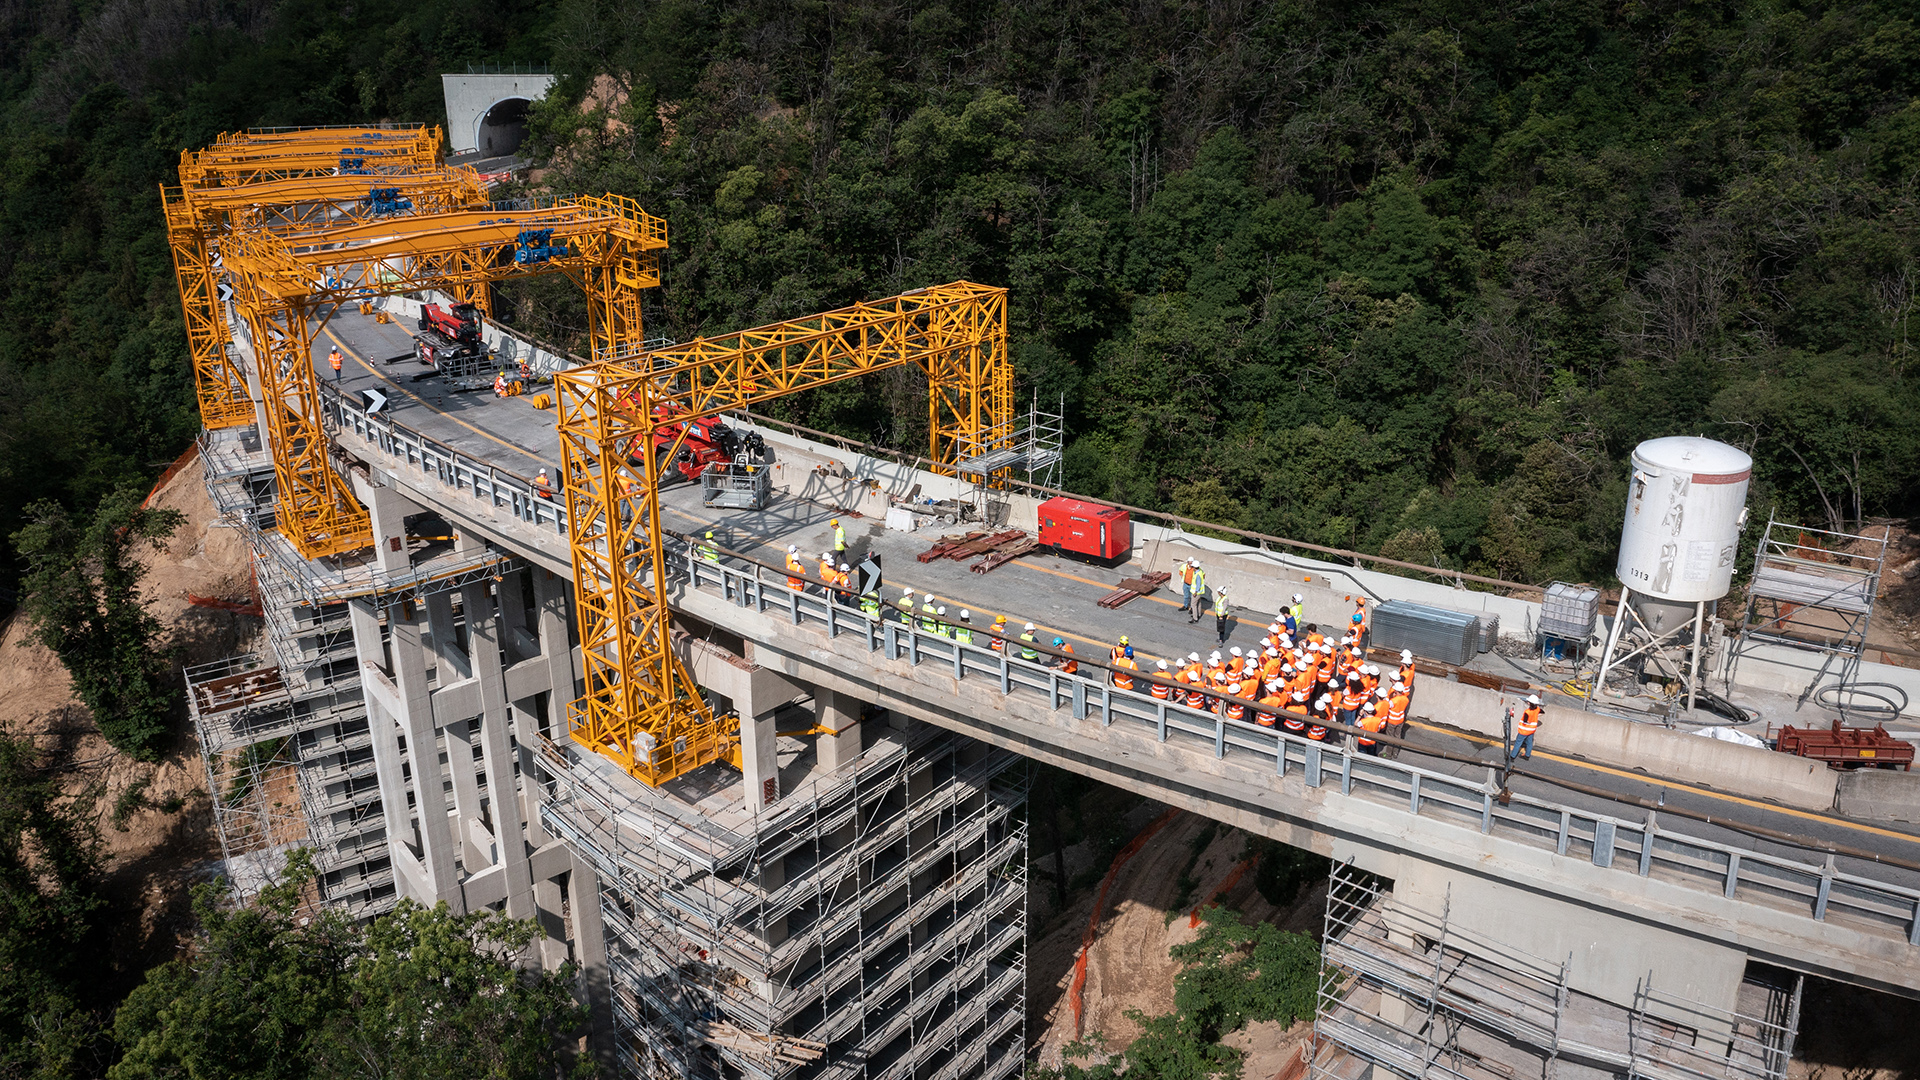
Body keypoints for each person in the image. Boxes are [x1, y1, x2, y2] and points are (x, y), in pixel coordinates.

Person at [1513, 694, 1543, 760]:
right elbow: (1543, 712)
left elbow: (1525, 720)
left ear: (1529, 703)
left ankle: (1512, 756)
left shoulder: (1527, 712)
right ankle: (1527, 755)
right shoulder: (1537, 709)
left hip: (1523, 731)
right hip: (1531, 730)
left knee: (1518, 743)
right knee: (1529, 743)